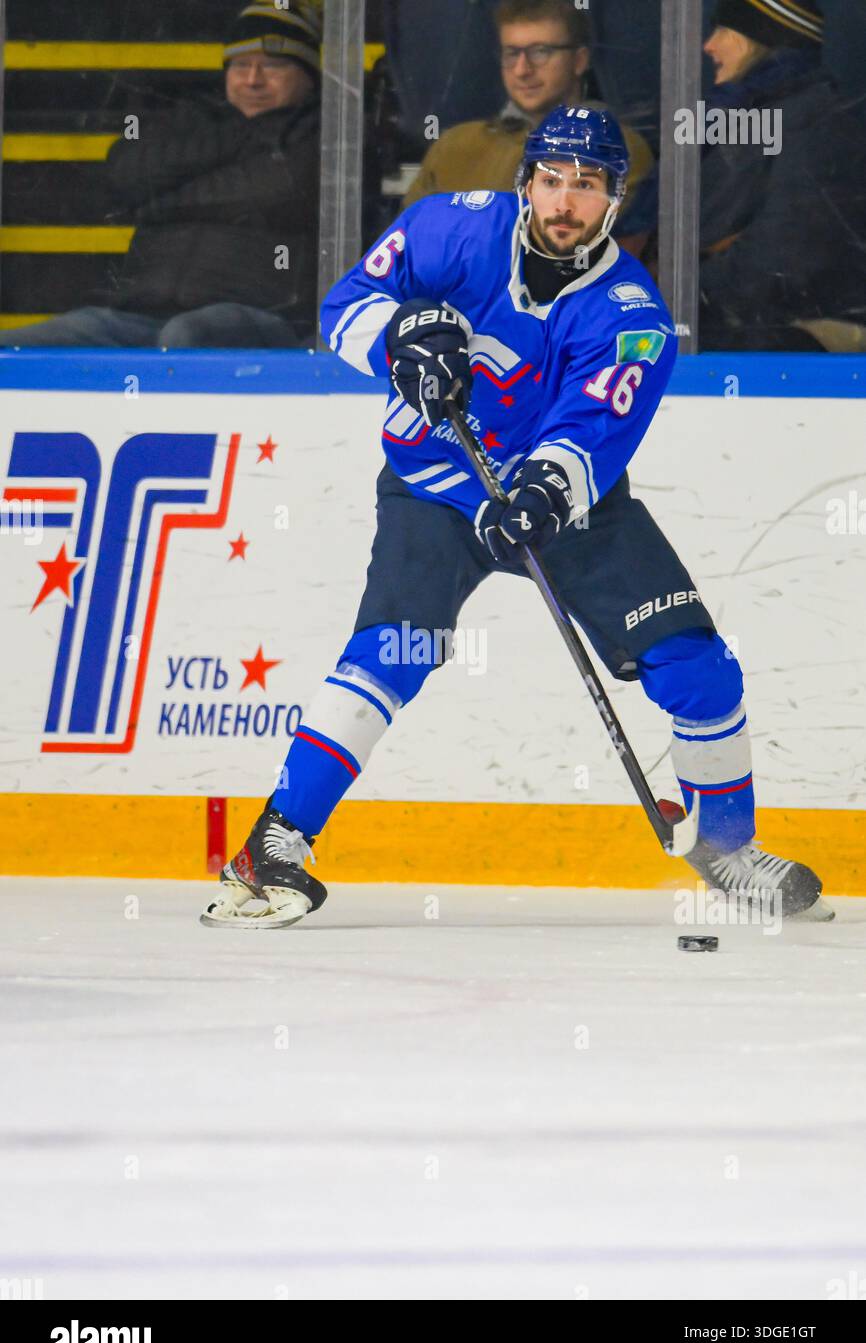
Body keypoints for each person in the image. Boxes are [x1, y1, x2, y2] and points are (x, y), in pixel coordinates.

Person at [200, 105, 829, 930]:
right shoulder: (449, 228)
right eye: (552, 180)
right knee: (392, 651)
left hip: (563, 507)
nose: (566, 201)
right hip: (433, 484)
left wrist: (541, 494)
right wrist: (400, 337)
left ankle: (727, 850)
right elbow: (344, 306)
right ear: (525, 181)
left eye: (588, 185)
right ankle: (272, 846)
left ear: (615, 200)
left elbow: (590, 433)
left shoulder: (634, 317)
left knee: (699, 667)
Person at [0, 3, 322, 350]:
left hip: (258, 315)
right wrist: (243, 137)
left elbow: (273, 193)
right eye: (240, 65)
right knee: (16, 347)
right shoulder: (189, 118)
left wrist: (157, 202)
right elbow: (124, 174)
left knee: (185, 337)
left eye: (273, 66)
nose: (253, 80)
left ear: (308, 76)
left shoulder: (320, 131)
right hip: (140, 313)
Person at [402, 0, 654, 242]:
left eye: (540, 52)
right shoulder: (454, 147)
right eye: (511, 54)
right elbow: (406, 245)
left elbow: (582, 253)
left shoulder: (617, 148)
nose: (522, 70)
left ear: (579, 60)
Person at [698, 0, 866, 352]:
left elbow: (780, 259)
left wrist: (685, 287)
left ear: (760, 39)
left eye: (724, 30)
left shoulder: (815, 125)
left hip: (785, 350)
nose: (708, 45)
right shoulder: (751, 117)